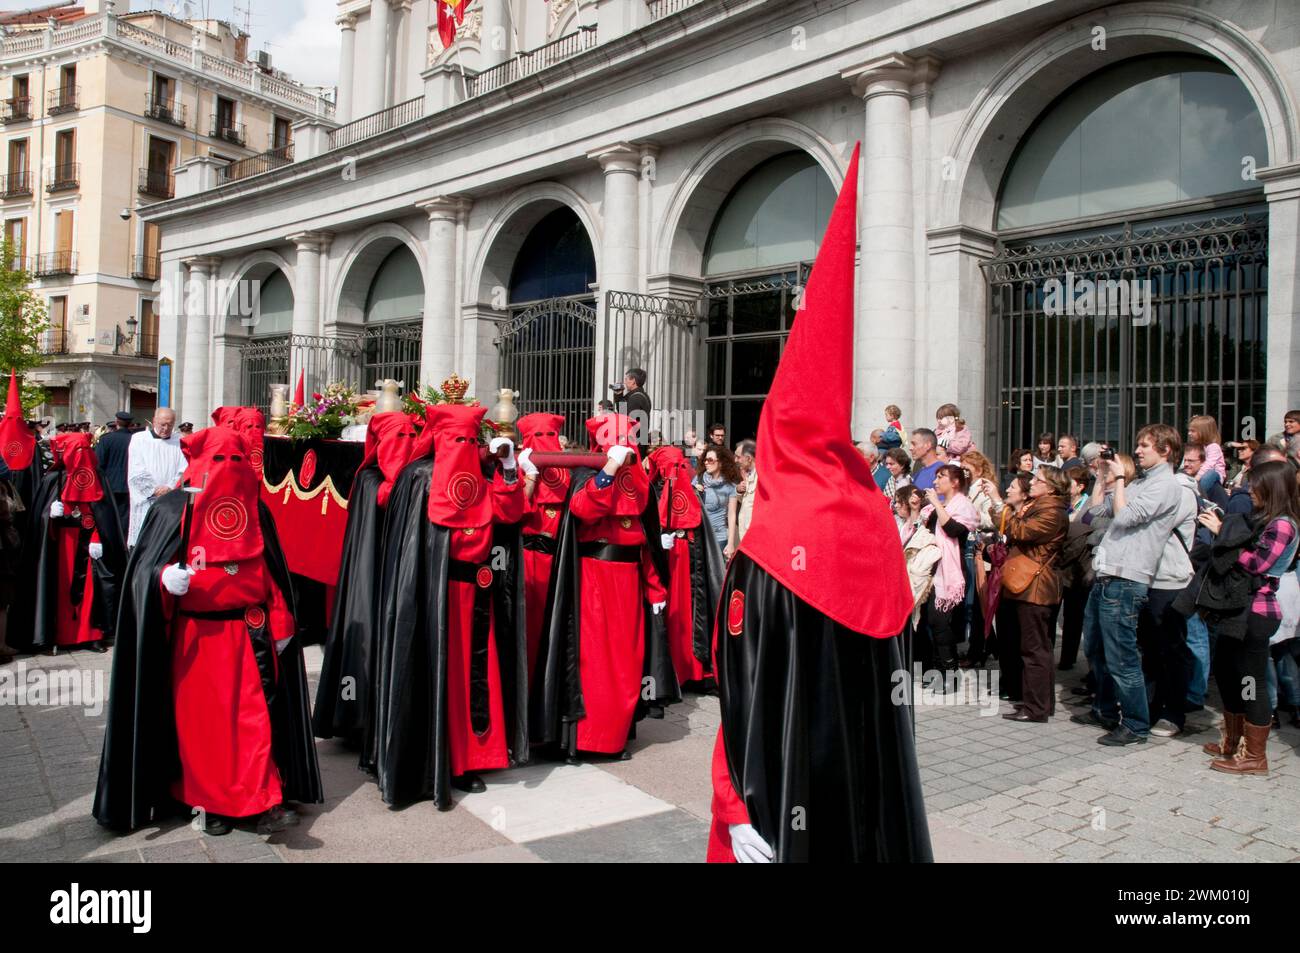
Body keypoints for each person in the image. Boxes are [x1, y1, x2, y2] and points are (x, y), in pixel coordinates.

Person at [706, 145, 930, 861]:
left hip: (783, 793)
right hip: (870, 794)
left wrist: (734, 803)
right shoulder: (870, 521)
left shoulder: (771, 543)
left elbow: (739, 687)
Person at [93, 425, 322, 835]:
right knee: (203, 728)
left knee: (254, 720)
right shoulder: (172, 510)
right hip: (195, 640)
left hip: (250, 637)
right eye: (219, 460)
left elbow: (271, 573)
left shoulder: (256, 509)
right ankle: (208, 803)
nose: (229, 468)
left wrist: (283, 623)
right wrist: (162, 577)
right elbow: (141, 571)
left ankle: (261, 798)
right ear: (199, 462)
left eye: (237, 459)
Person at [372, 404, 531, 806]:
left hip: (475, 593)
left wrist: (509, 469)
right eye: (455, 439)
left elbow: (510, 514)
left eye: (469, 439)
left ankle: (470, 758)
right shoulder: (418, 477)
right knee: (434, 674)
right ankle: (430, 759)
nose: (464, 446)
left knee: (472, 678)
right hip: (430, 594)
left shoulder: (483, 473)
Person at [534, 413, 676, 762]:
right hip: (593, 577)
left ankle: (614, 736)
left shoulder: (640, 481)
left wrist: (655, 589)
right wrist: (609, 469)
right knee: (592, 662)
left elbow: (647, 543)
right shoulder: (588, 474)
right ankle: (585, 739)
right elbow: (583, 509)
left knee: (627, 662)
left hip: (628, 580)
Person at [313, 411, 419, 751]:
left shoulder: (413, 477)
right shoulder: (370, 479)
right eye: (396, 438)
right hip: (371, 577)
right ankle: (357, 717)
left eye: (409, 437)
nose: (403, 445)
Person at [1077, 424, 1189, 746]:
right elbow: (1095, 512)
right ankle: (1106, 709)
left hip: (1127, 579)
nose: (1137, 451)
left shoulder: (1167, 486)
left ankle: (1137, 725)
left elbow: (1124, 518)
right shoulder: (1140, 482)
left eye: (1145, 446)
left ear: (1165, 450)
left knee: (1122, 657)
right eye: (1138, 445)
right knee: (1097, 650)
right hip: (1107, 573)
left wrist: (1121, 480)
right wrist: (1102, 475)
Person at [1193, 461, 1300, 776]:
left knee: (1252, 681)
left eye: (1255, 485)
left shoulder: (1283, 524)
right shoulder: (1266, 519)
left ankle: (1255, 755)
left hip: (1258, 612)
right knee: (1228, 672)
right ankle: (1234, 739)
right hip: (1239, 609)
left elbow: (1258, 564)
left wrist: (1221, 534)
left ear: (1272, 488)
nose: (1249, 490)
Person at [10, 432, 126, 654]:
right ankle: (53, 635)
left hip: (91, 544)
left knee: (93, 591)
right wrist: (49, 516)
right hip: (61, 544)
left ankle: (93, 634)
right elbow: (38, 521)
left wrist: (98, 538)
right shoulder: (53, 479)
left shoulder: (98, 477)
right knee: (58, 589)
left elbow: (105, 515)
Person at [648, 445, 724, 691]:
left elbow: (700, 530)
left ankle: (694, 669)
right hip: (664, 563)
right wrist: (659, 540)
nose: (676, 472)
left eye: (679, 466)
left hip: (689, 562)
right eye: (671, 467)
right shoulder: (651, 491)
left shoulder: (690, 491)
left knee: (691, 613)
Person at [999, 466, 1069, 722]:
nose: (1033, 484)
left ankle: (1036, 709)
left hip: (1037, 589)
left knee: (1035, 650)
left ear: (1051, 487)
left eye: (1038, 480)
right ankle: (1036, 703)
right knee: (1034, 648)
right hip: (1029, 589)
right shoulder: (1043, 507)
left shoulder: (1052, 511)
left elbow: (1020, 531)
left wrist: (1000, 506)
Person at [515, 412, 570, 684]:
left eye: (550, 435)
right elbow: (514, 508)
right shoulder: (519, 465)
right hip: (526, 558)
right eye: (538, 436)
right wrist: (530, 476)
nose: (545, 441)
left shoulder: (567, 467)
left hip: (558, 556)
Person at [919, 465, 979, 681]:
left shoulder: (962, 506)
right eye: (935, 477)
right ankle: (938, 671)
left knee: (941, 622)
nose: (936, 481)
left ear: (955, 482)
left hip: (952, 571)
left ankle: (949, 672)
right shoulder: (940, 506)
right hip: (933, 569)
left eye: (941, 476)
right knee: (932, 622)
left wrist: (935, 502)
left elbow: (953, 530)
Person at [125, 408, 186, 548]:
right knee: (144, 540)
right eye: (162, 424)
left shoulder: (180, 441)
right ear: (154, 421)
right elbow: (136, 468)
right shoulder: (139, 439)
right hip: (147, 499)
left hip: (171, 499)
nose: (166, 428)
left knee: (165, 542)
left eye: (170, 425)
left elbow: (184, 468)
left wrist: (170, 487)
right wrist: (153, 489)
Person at [694, 444, 741, 559]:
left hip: (719, 537)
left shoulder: (730, 486)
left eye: (710, 460)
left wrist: (730, 544)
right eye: (705, 459)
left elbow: (731, 515)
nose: (706, 463)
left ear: (720, 462)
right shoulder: (698, 479)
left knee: (717, 574)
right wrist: (694, 492)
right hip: (700, 535)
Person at [95, 410, 135, 531]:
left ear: (117, 422)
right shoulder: (135, 439)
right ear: (131, 424)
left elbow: (99, 463)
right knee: (125, 518)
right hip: (130, 484)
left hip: (109, 485)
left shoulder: (106, 439)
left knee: (109, 517)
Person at [614, 368, 651, 454]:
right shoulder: (642, 396)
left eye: (626, 379)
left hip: (634, 444)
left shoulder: (635, 398)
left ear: (633, 381)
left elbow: (626, 420)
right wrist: (619, 395)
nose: (625, 382)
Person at [1188, 414, 1227, 488]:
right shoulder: (1198, 447)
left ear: (1204, 432)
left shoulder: (1213, 447)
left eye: (1193, 431)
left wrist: (1197, 477)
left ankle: (1198, 492)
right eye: (1189, 430)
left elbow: (1209, 465)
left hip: (1214, 476)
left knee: (1210, 474)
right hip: (1199, 474)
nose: (1189, 433)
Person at [734, 439, 757, 542]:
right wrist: (739, 490)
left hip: (754, 536)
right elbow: (745, 501)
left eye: (738, 457)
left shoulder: (762, 477)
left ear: (748, 458)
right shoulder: (747, 474)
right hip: (744, 534)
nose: (735, 460)